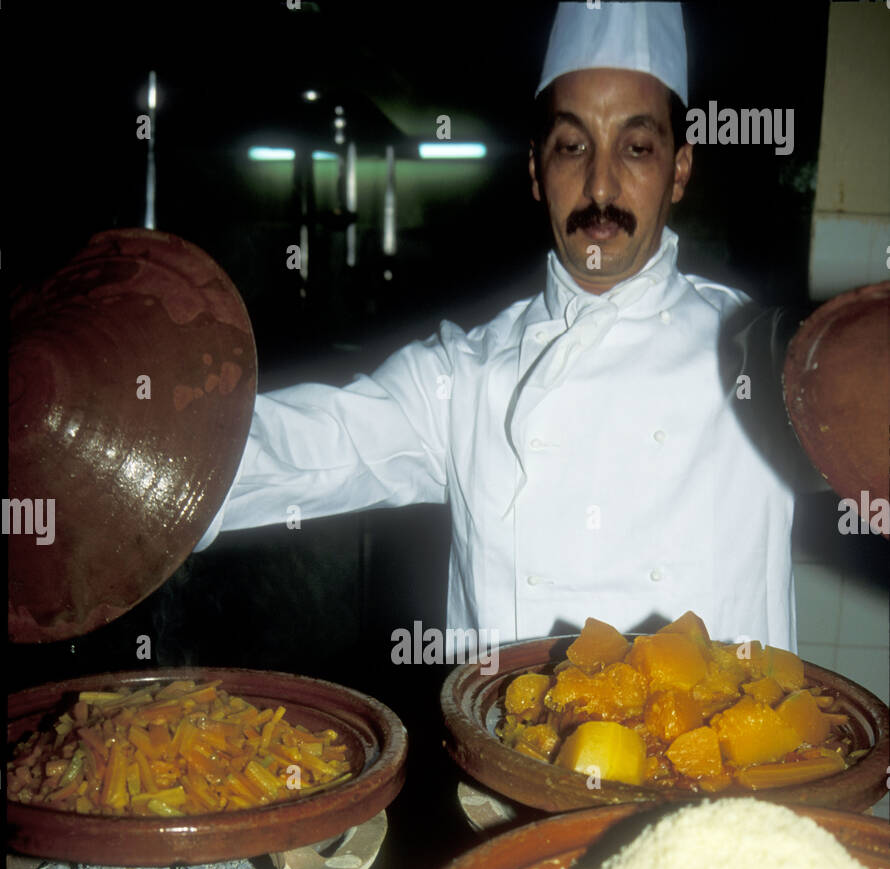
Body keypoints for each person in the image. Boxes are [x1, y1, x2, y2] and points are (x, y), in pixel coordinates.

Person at [196, 2, 798, 649]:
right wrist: (113, 458)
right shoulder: (464, 375)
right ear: (537, 170)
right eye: (572, 146)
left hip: (726, 749)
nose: (600, 184)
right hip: (507, 750)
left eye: (636, 146)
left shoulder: (765, 356)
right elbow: (295, 450)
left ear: (679, 168)